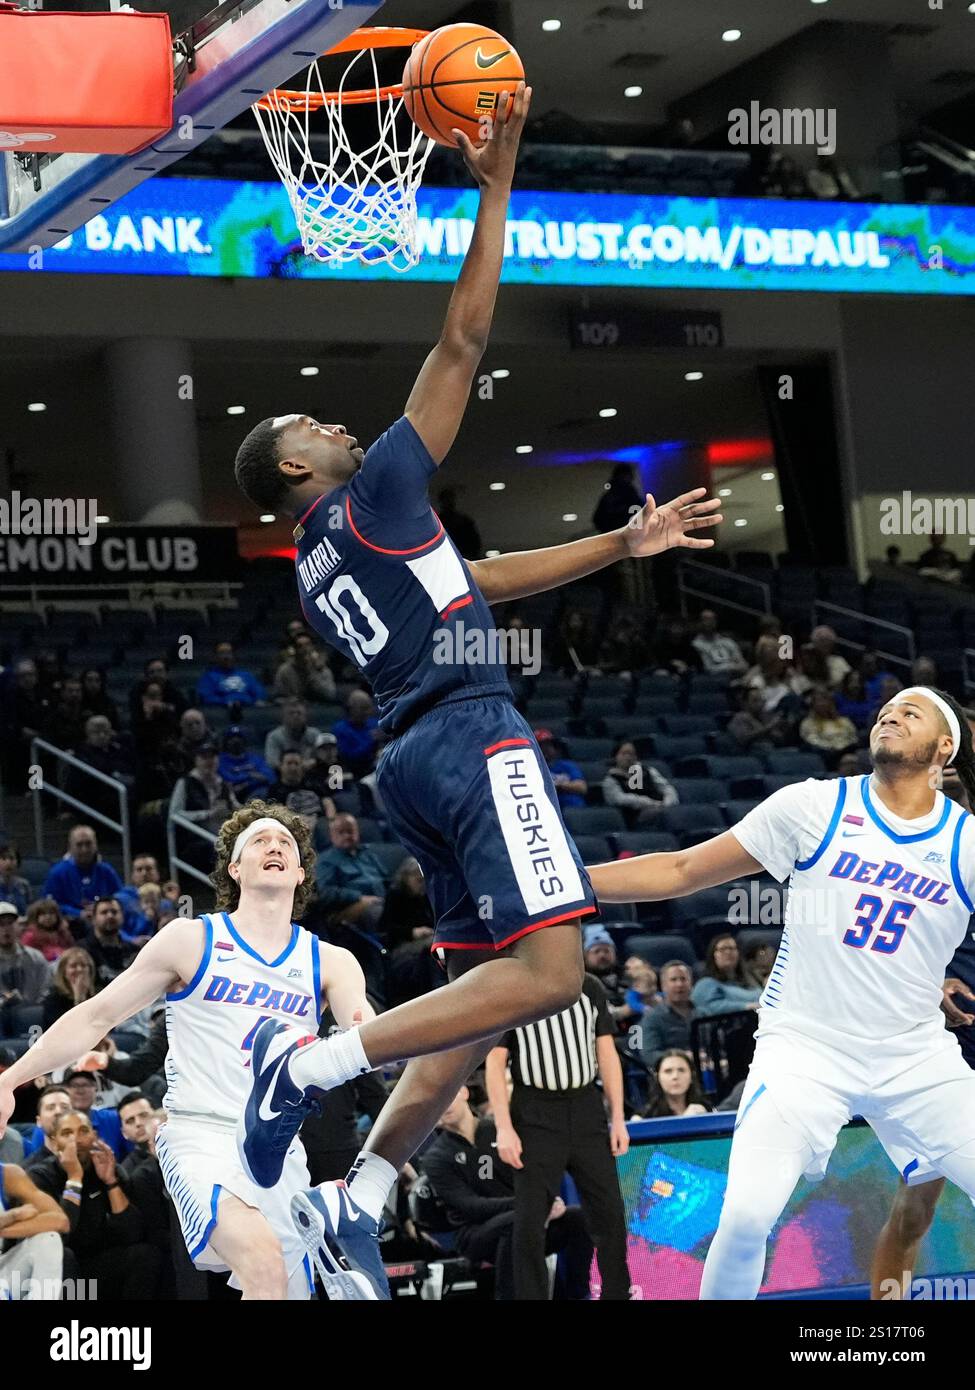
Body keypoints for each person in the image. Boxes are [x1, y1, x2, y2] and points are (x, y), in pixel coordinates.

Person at [229, 80, 719, 1302]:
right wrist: (494, 181)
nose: (334, 419)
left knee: (473, 1011)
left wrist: (621, 546)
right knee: (552, 976)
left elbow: (482, 575)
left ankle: (361, 1198)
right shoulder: (375, 489)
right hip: (467, 735)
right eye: (310, 419)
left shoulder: (322, 563)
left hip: (412, 760)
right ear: (298, 466)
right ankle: (314, 1064)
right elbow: (462, 341)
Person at [587, 685, 975, 1300]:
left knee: (919, 1212)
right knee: (743, 1219)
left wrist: (941, 982)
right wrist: (564, 887)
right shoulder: (813, 807)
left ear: (944, 748)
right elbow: (684, 869)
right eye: (884, 710)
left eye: (911, 711)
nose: (890, 716)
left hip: (916, 1058)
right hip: (803, 1050)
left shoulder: (966, 844)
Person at [0, 802, 374, 1302]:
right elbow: (95, 1016)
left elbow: (363, 1031)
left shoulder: (331, 961)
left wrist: (385, 1038)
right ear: (235, 869)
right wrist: (9, 1080)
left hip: (281, 1151)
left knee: (286, 1291)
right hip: (201, 1136)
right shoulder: (192, 939)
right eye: (260, 841)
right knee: (262, 1263)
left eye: (285, 842)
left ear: (301, 872)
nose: (275, 846)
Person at [486, 972, 631, 1300]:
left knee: (610, 1215)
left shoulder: (589, 986)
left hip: (586, 1107)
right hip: (534, 1111)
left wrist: (618, 1118)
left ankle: (617, 1295)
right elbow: (495, 1063)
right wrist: (503, 1127)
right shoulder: (515, 989)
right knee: (530, 1222)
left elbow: (607, 1053)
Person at [421, 1083, 595, 1300]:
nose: (444, 1106)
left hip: (527, 1218)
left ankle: (577, 1294)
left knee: (580, 1218)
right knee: (516, 1222)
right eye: (435, 1103)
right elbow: (469, 1207)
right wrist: (530, 1204)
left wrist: (546, 1199)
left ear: (464, 1092)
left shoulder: (503, 1132)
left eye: (449, 1095)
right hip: (475, 1235)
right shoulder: (436, 1158)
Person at [27, 1109, 161, 1300]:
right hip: (60, 1270)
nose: (77, 1140)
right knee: (63, 1257)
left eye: (83, 1131)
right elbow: (59, 1236)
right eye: (67, 1133)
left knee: (146, 1254)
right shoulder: (40, 1176)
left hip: (98, 1266)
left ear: (94, 1136)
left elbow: (132, 1234)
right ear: (55, 1142)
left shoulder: (108, 1168)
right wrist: (74, 1178)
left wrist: (110, 1182)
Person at [0, 1158, 69, 1299]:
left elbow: (61, 1221)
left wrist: (4, 1229)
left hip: (3, 1271)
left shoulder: (8, 1174)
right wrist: (11, 1217)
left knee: (49, 1239)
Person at [169, 743, 240, 872]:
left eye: (212, 757)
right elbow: (175, 814)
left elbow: (235, 806)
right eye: (204, 757)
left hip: (222, 834)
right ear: (196, 760)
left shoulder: (223, 783)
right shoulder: (185, 783)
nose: (209, 761)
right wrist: (207, 814)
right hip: (196, 837)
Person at [314, 813, 387, 930]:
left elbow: (386, 879)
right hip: (350, 909)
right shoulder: (325, 860)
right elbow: (325, 892)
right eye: (341, 832)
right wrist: (359, 897)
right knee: (380, 911)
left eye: (350, 831)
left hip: (381, 900)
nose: (347, 836)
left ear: (357, 831)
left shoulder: (368, 853)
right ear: (332, 836)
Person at [42, 826, 124, 926]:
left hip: (105, 922)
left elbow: (120, 897)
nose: (84, 849)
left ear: (95, 846)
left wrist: (101, 908)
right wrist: (78, 913)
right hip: (71, 925)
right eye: (79, 845)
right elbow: (50, 904)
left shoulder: (106, 870)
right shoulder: (57, 873)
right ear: (70, 848)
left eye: (88, 844)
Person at [637, 961, 699, 1068]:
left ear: (691, 983)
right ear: (663, 986)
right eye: (673, 980)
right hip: (673, 1073)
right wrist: (682, 1057)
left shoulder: (703, 1013)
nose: (679, 984)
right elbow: (649, 1055)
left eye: (683, 979)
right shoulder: (651, 1018)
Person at [602, 740, 678, 824]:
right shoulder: (611, 780)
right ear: (615, 756)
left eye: (632, 754)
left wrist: (667, 802)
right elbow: (620, 799)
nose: (628, 757)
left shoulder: (648, 771)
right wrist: (650, 803)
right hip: (636, 815)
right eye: (624, 753)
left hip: (662, 807)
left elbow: (666, 787)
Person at [0, 904, 51, 1021]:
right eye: (1, 924)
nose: (6, 928)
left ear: (18, 926)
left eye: (10, 923)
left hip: (32, 1017)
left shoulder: (35, 957)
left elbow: (46, 991)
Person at [78, 896, 138, 988]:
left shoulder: (134, 950)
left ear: (122, 917)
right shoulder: (81, 951)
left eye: (114, 912)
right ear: (93, 919)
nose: (110, 916)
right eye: (104, 912)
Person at [639, 1050, 711, 1119]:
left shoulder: (705, 1110)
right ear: (657, 1077)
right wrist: (685, 1122)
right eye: (668, 1071)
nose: (675, 1076)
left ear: (692, 1076)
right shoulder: (644, 1117)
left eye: (681, 1070)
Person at [196, 643, 267, 709]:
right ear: (216, 657)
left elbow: (259, 691)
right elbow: (207, 697)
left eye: (229, 653)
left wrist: (254, 700)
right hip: (222, 710)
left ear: (233, 656)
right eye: (222, 653)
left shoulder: (246, 675)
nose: (226, 657)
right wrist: (226, 702)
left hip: (248, 708)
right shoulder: (209, 677)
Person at [799, 686, 858, 763]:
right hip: (825, 754)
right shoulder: (808, 723)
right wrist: (832, 747)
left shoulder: (844, 721)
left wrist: (842, 746)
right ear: (813, 705)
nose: (823, 704)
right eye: (819, 701)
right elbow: (812, 741)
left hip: (846, 750)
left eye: (826, 701)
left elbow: (853, 737)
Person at [41, 948, 96, 1030]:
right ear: (64, 972)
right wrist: (79, 999)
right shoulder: (53, 999)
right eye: (73, 966)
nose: (79, 969)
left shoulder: (97, 995)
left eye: (83, 965)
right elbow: (66, 1030)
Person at [331, 690, 381, 781]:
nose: (368, 712)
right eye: (364, 708)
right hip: (354, 773)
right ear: (351, 708)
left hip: (377, 769)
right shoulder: (340, 729)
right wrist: (372, 740)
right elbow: (350, 757)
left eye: (369, 707)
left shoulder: (374, 723)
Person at [264, 698, 323, 772]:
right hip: (284, 776)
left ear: (305, 716)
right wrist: (294, 767)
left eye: (299, 713)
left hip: (312, 773)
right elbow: (272, 763)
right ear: (284, 717)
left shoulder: (315, 734)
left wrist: (314, 762)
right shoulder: (274, 736)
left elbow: (324, 758)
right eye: (291, 713)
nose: (295, 716)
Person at [22, 1084, 71, 1172]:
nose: (58, 1111)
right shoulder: (27, 1171)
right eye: (50, 1108)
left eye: (65, 1107)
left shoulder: (95, 1162)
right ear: (39, 1121)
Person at [218, 726, 274, 803]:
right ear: (226, 741)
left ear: (244, 741)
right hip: (231, 797)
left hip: (257, 794)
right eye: (231, 738)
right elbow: (229, 780)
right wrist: (252, 775)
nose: (236, 741)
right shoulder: (220, 760)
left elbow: (270, 777)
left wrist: (245, 783)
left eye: (239, 737)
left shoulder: (255, 758)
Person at [534, 729, 586, 811]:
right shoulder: (533, 768)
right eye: (541, 746)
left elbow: (581, 787)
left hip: (574, 809)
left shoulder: (567, 765)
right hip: (548, 810)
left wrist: (558, 786)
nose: (545, 749)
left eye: (548, 745)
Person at [727, 686, 787, 750]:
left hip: (771, 753)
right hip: (749, 756)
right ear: (745, 703)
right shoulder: (739, 718)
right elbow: (744, 738)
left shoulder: (765, 716)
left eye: (761, 700)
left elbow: (779, 738)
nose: (759, 704)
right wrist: (769, 727)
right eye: (755, 700)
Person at [692, 610, 748, 676]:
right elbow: (708, 668)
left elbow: (742, 663)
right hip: (712, 679)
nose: (709, 622)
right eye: (706, 619)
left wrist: (739, 666)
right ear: (700, 622)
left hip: (735, 675)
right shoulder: (696, 644)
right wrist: (731, 666)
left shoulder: (727, 641)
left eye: (712, 619)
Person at [436, 486, 482, 559]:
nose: (448, 502)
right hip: (444, 557)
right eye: (446, 499)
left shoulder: (464, 521)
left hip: (463, 556)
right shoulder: (437, 522)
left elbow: (474, 544)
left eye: (450, 499)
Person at [809, 625, 851, 689]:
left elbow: (849, 678)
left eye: (828, 640)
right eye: (821, 640)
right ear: (814, 642)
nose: (824, 644)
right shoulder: (805, 658)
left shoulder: (839, 661)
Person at [0, 843, 31, 918]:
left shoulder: (24, 885)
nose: (8, 863)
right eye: (4, 859)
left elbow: (30, 909)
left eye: (12, 859)